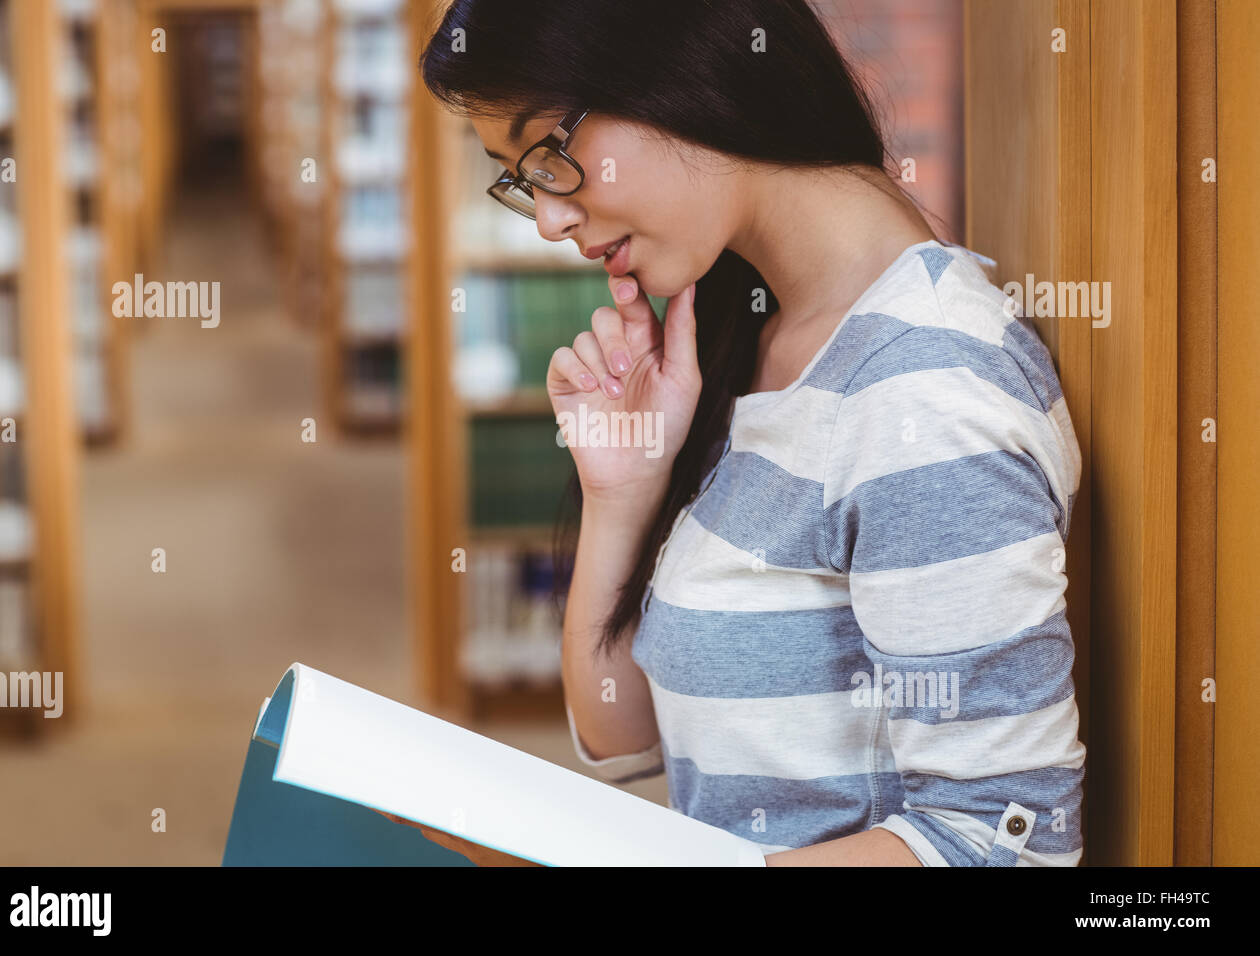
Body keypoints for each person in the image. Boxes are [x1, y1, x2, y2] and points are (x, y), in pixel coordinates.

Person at [380, 0, 1086, 866]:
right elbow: (622, 734)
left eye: (546, 155)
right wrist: (622, 494)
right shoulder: (745, 331)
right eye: (519, 178)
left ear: (683, 66)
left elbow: (1006, 839)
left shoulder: (925, 387)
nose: (550, 217)